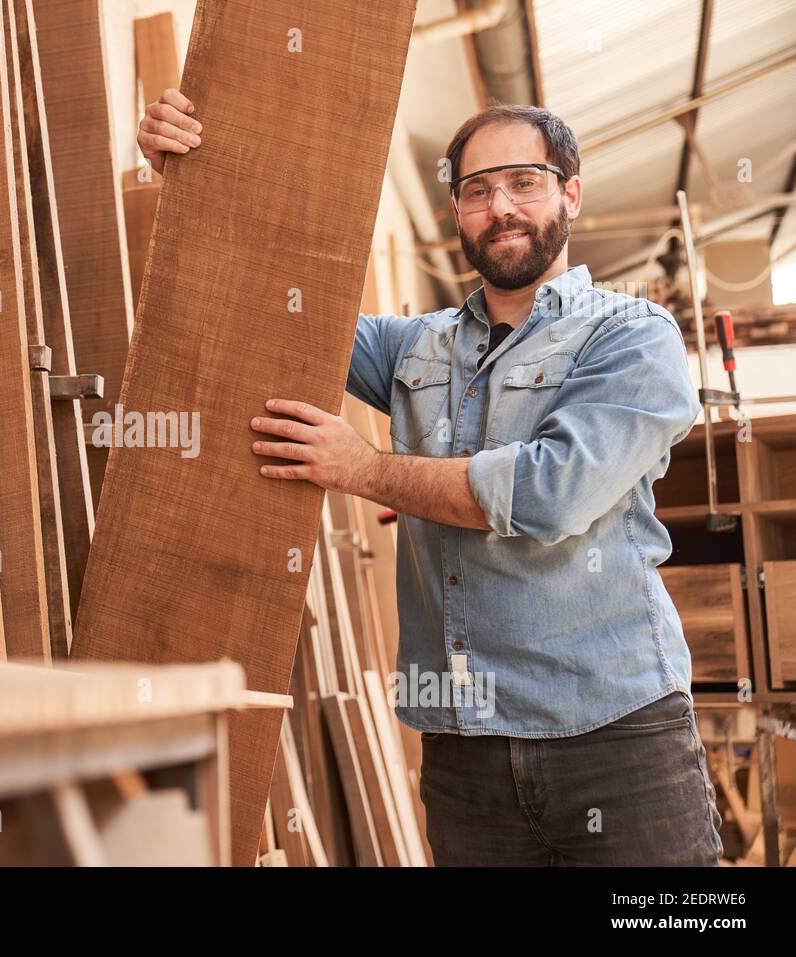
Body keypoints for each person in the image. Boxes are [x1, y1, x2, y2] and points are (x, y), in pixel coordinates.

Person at [137, 90, 723, 866]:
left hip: (614, 737)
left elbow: (548, 494)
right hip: (464, 751)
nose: (500, 207)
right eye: (476, 191)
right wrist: (185, 175)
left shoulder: (632, 336)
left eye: (523, 181)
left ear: (570, 192)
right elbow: (269, 301)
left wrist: (363, 468)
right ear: (456, 211)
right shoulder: (416, 346)